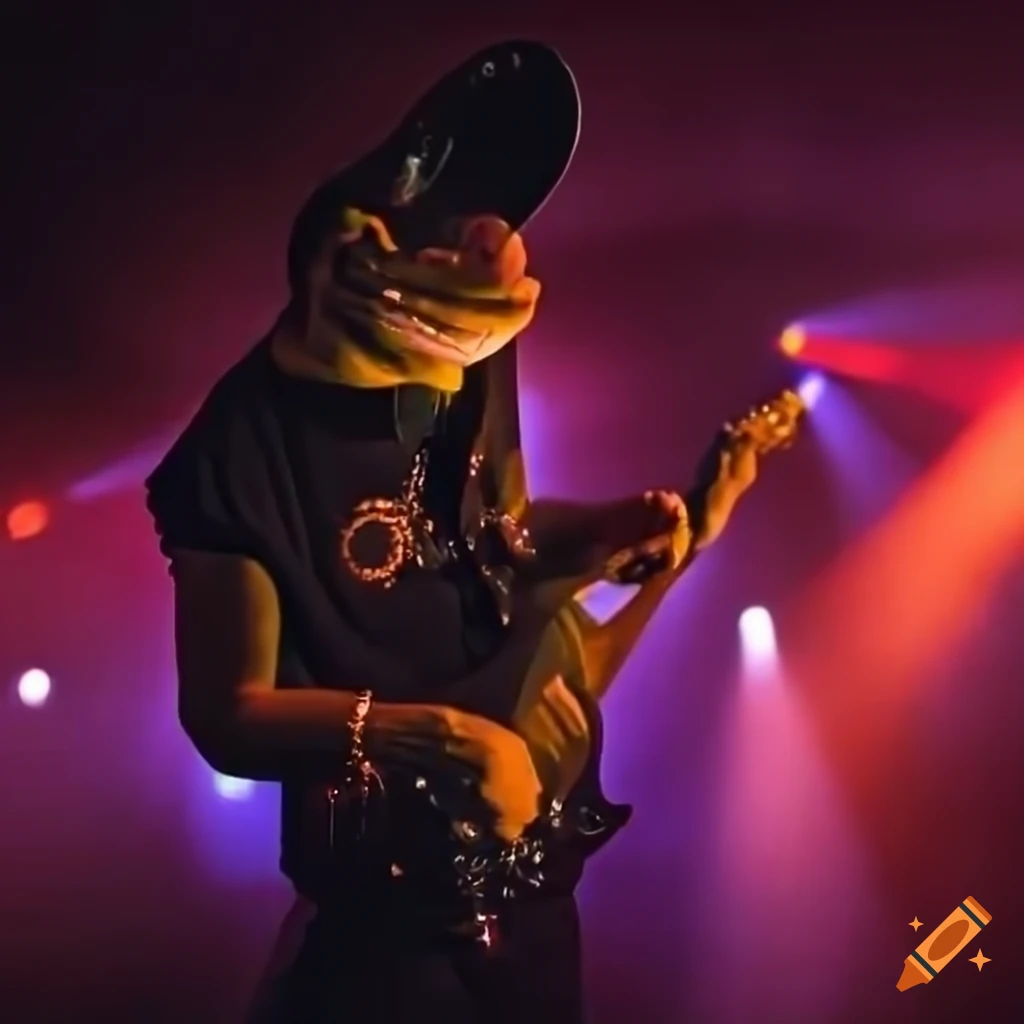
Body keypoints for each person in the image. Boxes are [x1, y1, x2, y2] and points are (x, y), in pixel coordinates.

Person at [146, 41, 767, 1024]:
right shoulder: (233, 456)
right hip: (388, 913)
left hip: (534, 890)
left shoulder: (469, 363)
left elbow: (499, 543)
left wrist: (611, 530)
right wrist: (438, 739)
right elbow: (225, 713)